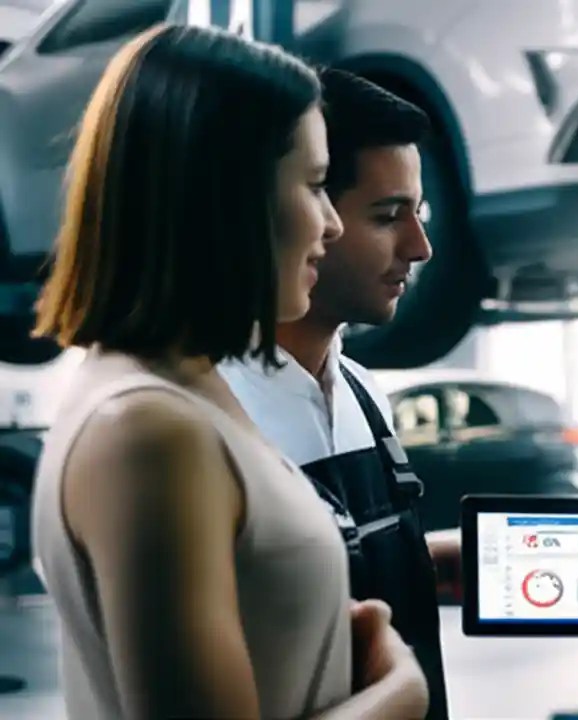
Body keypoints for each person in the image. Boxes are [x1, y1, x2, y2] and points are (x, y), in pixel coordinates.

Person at [28, 25, 428, 720]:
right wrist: (401, 692)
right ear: (227, 198)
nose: (329, 225)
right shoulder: (148, 430)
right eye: (312, 186)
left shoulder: (189, 396)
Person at [219, 68, 450, 719]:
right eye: (387, 216)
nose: (421, 247)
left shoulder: (362, 394)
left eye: (420, 214)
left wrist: (430, 563)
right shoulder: (209, 419)